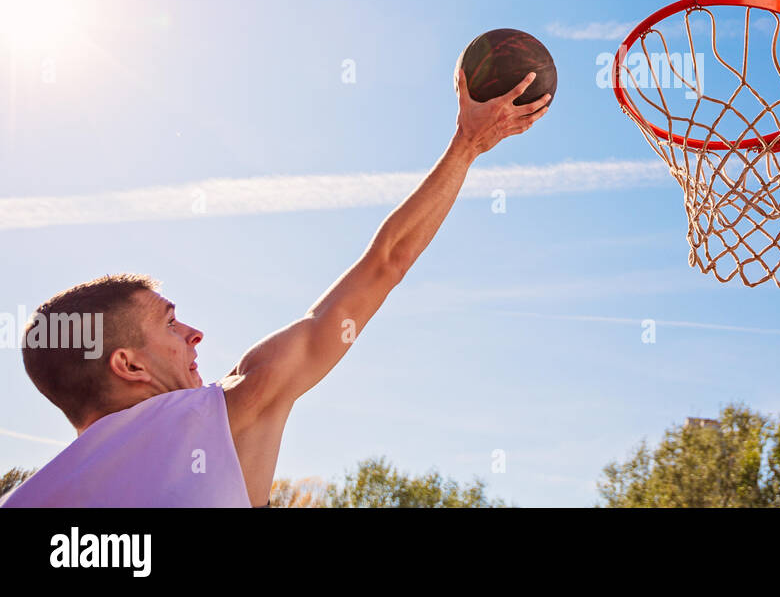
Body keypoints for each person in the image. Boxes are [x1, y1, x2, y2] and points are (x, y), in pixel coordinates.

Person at [1, 71, 549, 507]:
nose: (194, 334)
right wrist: (467, 143)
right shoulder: (216, 415)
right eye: (169, 323)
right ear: (129, 364)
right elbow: (387, 262)